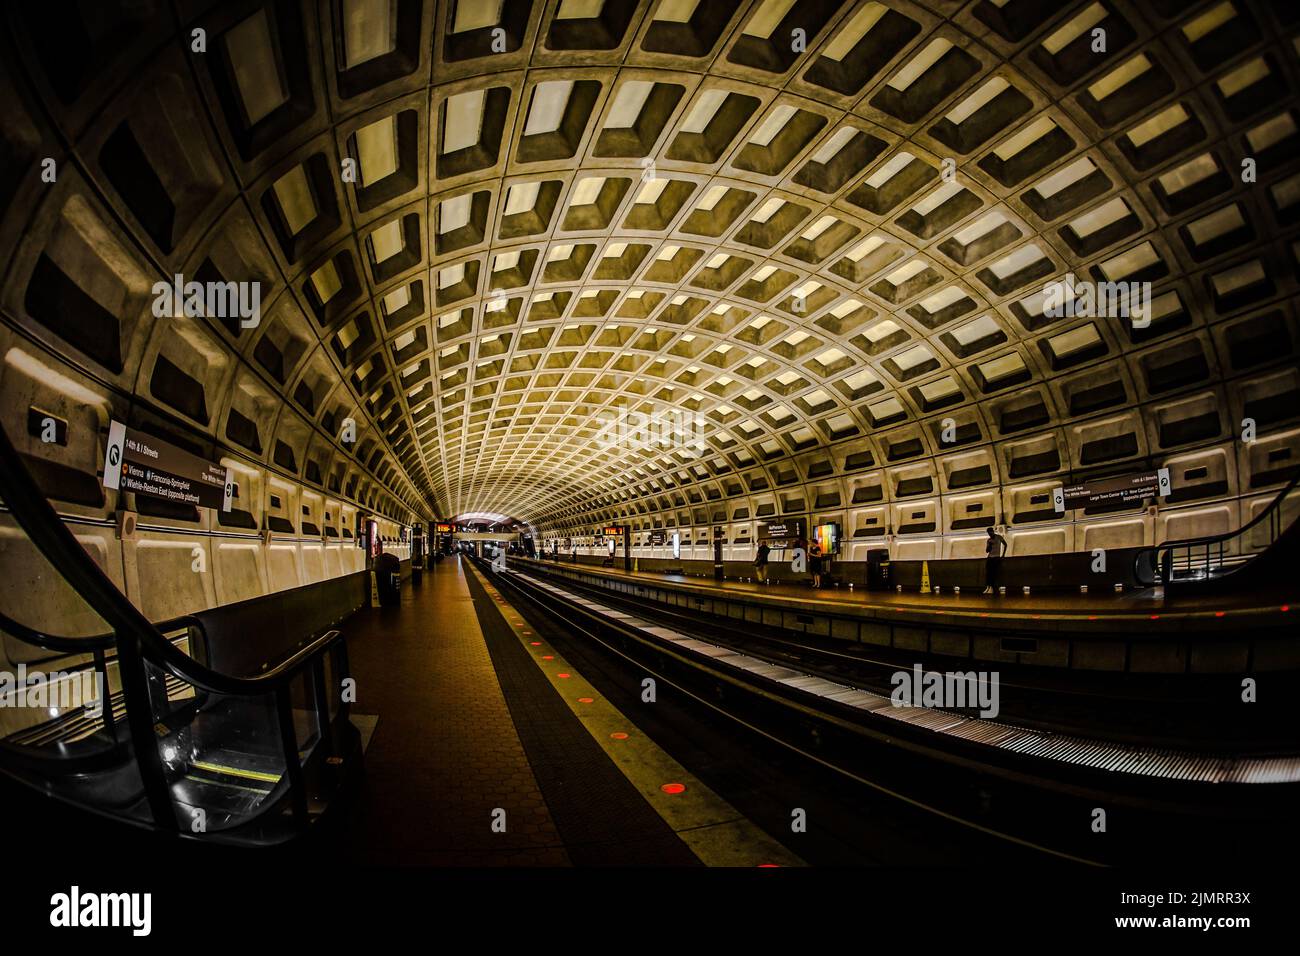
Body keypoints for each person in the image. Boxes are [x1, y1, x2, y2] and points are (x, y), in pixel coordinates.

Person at [983, 526, 1007, 594]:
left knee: (994, 573)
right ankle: (988, 587)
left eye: (990, 533)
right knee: (988, 572)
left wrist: (1003, 555)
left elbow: (1005, 544)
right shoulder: (989, 540)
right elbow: (987, 551)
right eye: (988, 533)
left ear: (993, 531)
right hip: (990, 557)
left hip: (996, 557)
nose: (989, 534)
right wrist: (990, 546)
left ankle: (992, 588)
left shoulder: (999, 537)